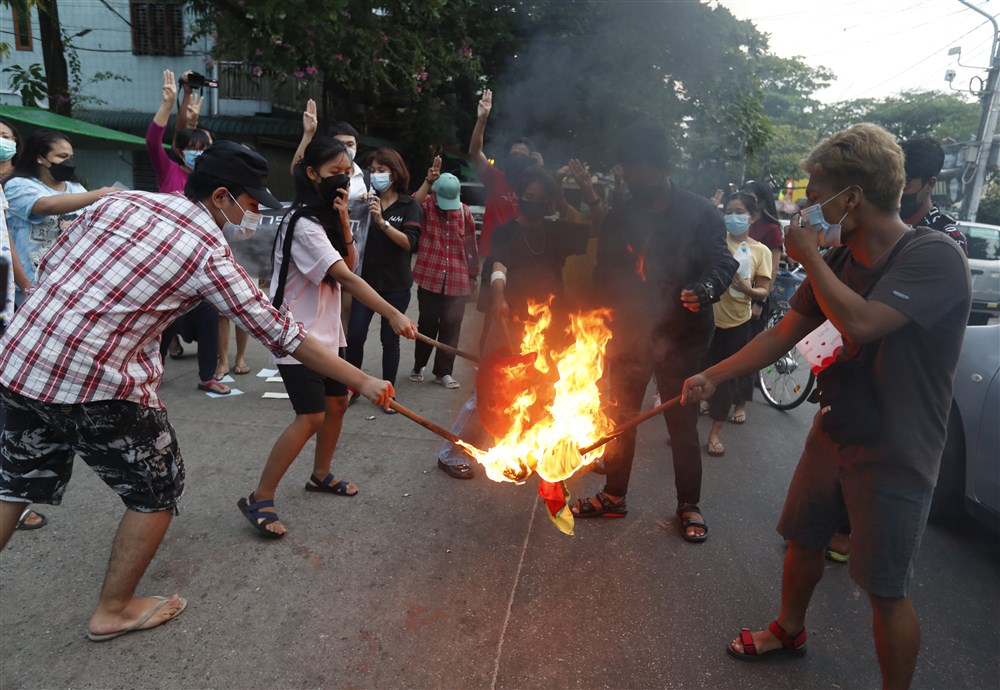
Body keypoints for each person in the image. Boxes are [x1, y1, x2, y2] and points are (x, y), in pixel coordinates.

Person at [0, 141, 397, 641]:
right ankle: (114, 609)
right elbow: (283, 332)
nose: (252, 216)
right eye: (251, 205)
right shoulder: (206, 253)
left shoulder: (125, 201)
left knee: (14, 481)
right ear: (222, 195)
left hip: (20, 358)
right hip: (93, 380)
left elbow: (56, 262)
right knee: (157, 487)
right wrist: (362, 378)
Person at [681, 124, 970, 688]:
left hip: (897, 449)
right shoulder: (839, 260)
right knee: (804, 536)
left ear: (852, 199)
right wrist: (710, 376)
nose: (807, 207)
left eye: (816, 194)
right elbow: (781, 335)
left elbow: (862, 322)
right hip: (837, 426)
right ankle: (789, 629)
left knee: (885, 589)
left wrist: (809, 255)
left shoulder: (933, 256)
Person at [570, 122, 738, 545]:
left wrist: (705, 290)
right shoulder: (622, 215)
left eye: (641, 174)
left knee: (680, 423)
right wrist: (588, 326)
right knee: (620, 419)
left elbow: (722, 264)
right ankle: (614, 495)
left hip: (682, 338)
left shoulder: (700, 212)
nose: (634, 183)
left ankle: (688, 504)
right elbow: (604, 275)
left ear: (665, 167)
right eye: (628, 174)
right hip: (629, 336)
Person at [244, 137, 416, 538]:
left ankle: (320, 474)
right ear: (311, 174)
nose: (342, 179)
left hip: (327, 332)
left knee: (337, 403)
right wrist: (391, 312)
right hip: (297, 335)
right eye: (334, 172)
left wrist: (341, 219)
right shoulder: (302, 222)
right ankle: (260, 495)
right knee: (311, 416)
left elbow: (348, 260)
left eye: (346, 172)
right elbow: (346, 277)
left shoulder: (322, 218)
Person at [436, 165, 600, 480]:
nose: (533, 202)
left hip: (551, 327)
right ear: (519, 199)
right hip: (507, 323)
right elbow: (499, 265)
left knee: (543, 389)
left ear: (550, 202)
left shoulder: (556, 231)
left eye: (541, 198)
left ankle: (531, 449)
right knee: (486, 393)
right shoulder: (506, 232)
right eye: (528, 196)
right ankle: (450, 452)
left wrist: (589, 191)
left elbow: (598, 227)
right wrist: (499, 297)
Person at [146, 68, 229, 394]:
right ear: (180, 152)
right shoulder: (168, 170)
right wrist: (169, 103)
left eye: (203, 149)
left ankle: (207, 376)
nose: (198, 153)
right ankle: (153, 375)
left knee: (209, 317)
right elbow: (155, 140)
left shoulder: (210, 180)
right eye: (192, 148)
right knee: (160, 324)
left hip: (200, 263)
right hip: (165, 262)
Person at [345, 148, 422, 410]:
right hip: (365, 283)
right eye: (373, 171)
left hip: (396, 286)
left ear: (395, 172)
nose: (376, 175)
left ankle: (388, 392)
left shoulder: (409, 205)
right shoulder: (365, 201)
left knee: (390, 340)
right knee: (354, 335)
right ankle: (352, 387)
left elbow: (408, 244)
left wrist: (382, 222)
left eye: (382, 170)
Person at [702, 192, 772, 456]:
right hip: (706, 321)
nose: (733, 216)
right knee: (698, 372)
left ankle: (715, 434)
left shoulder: (760, 251)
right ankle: (684, 428)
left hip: (737, 325)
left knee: (727, 379)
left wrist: (748, 289)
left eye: (739, 212)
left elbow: (765, 289)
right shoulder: (716, 243)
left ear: (752, 217)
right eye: (728, 210)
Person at [3, 129, 116, 292]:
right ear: (40, 157)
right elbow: (46, 206)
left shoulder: (77, 189)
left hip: (68, 285)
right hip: (30, 285)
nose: (68, 163)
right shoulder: (18, 186)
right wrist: (101, 193)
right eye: (62, 157)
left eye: (70, 158)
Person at [410, 159, 480, 389]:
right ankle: (419, 364)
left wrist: (473, 275)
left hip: (458, 281)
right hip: (430, 277)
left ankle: (444, 372)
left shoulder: (464, 212)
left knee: (452, 327)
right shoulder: (428, 206)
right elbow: (412, 204)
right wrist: (427, 181)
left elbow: (471, 246)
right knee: (427, 324)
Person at [899, 137, 966, 254]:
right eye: (891, 183)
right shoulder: (880, 225)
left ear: (930, 184)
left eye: (905, 185)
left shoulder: (947, 239)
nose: (896, 191)